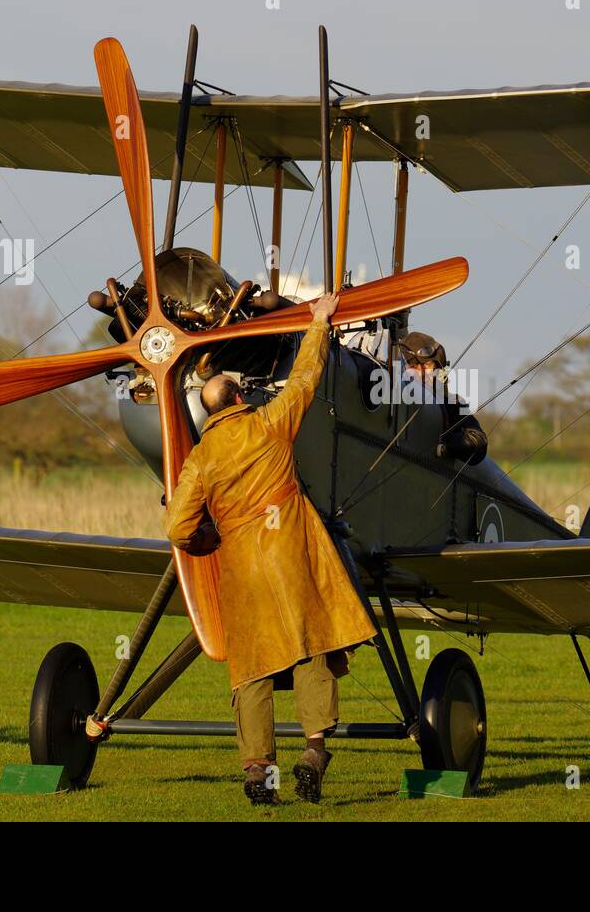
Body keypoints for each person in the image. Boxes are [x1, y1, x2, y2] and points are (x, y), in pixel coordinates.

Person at [164, 293, 377, 806]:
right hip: (291, 556)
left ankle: (259, 771)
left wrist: (209, 539)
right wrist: (318, 323)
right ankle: (313, 751)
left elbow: (177, 529)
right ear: (239, 398)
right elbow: (305, 379)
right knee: (311, 647)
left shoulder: (201, 458)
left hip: (241, 567)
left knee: (253, 668)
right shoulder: (267, 425)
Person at [395, 330, 488, 465]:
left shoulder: (448, 402)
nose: (423, 373)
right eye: (414, 367)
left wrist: (443, 441)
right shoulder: (390, 389)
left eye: (428, 366)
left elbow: (477, 443)